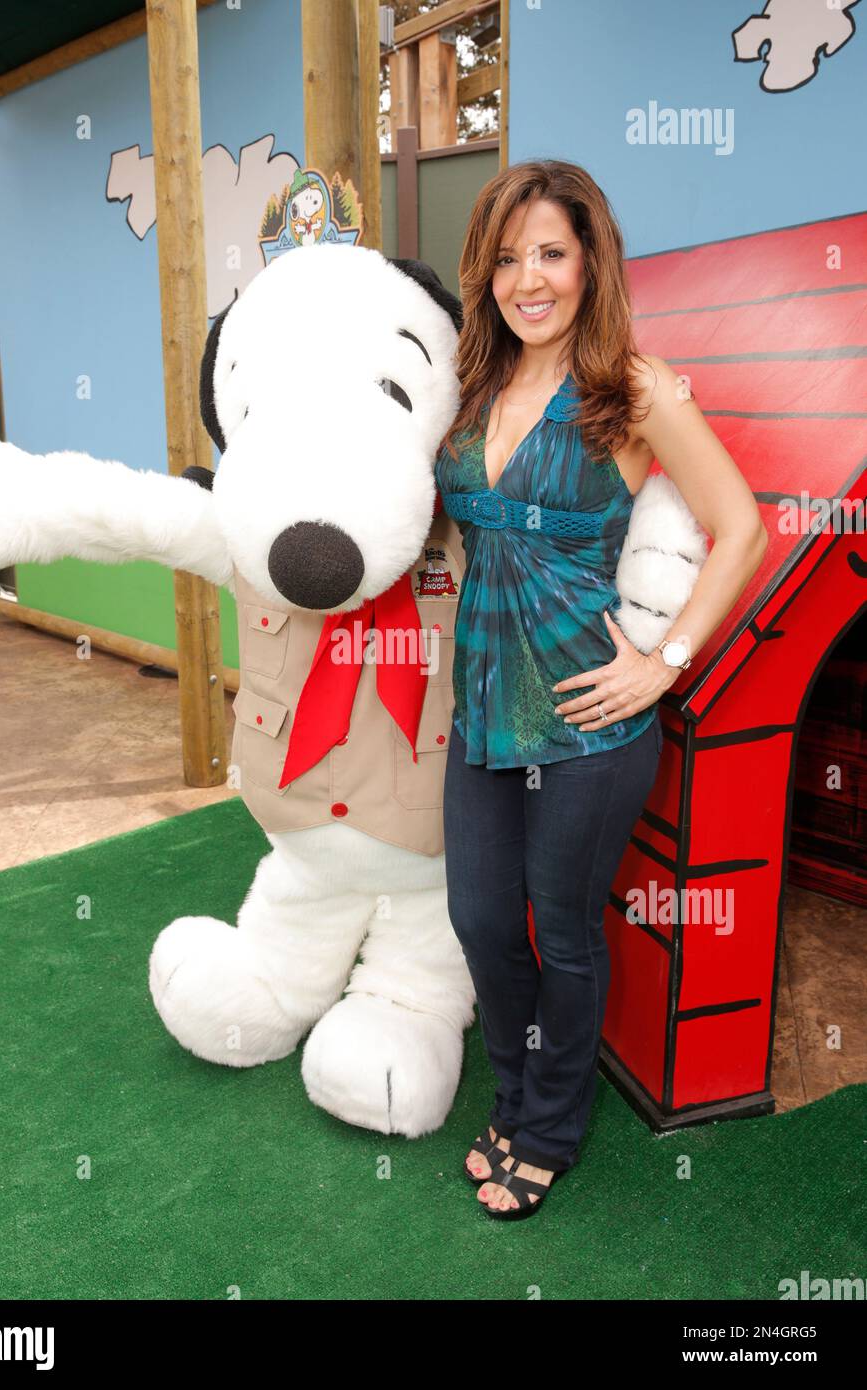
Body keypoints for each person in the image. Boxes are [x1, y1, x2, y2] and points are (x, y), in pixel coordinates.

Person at [434, 160, 768, 1221]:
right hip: (485, 701)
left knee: (563, 929)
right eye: (506, 257)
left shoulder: (635, 386)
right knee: (483, 919)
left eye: (550, 253)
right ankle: (517, 1085)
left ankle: (546, 1127)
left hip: (589, 712)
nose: (527, 279)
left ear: (588, 262)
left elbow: (743, 529)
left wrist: (660, 666)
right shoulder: (473, 383)